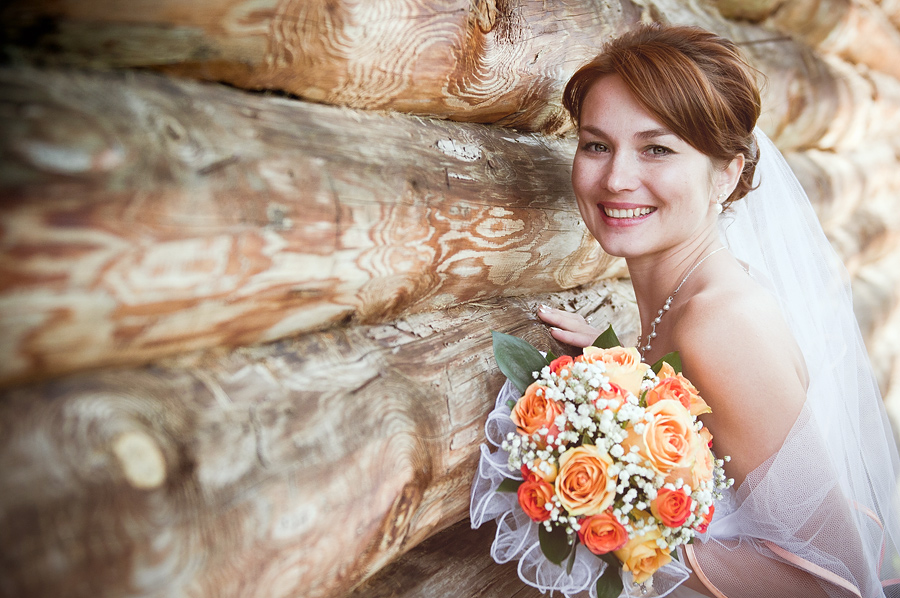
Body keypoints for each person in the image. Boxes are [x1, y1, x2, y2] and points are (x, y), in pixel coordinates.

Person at [471, 23, 900, 598]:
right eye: (596, 145)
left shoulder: (719, 325)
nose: (617, 178)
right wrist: (616, 378)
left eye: (657, 149)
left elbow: (836, 577)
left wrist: (617, 528)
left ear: (726, 174)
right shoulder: (692, 294)